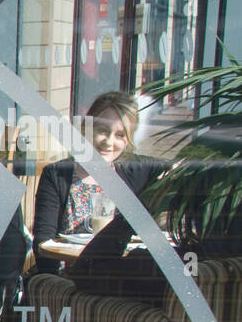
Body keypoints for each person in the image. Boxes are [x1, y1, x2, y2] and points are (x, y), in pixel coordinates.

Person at [32, 91, 163, 274]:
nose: (109, 142)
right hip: (67, 279)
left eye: (120, 135)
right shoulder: (57, 175)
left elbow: (179, 169)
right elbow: (43, 244)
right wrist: (55, 289)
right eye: (103, 130)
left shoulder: (133, 170)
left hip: (115, 279)